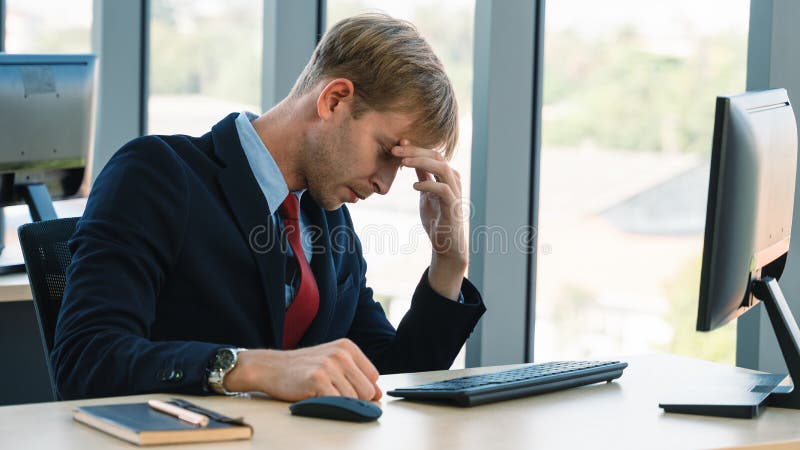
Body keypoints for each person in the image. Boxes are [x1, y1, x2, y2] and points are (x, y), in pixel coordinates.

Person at [52, 13, 485, 402]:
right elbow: (86, 358)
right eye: (387, 153)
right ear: (334, 99)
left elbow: (388, 378)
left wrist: (449, 263)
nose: (386, 186)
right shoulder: (157, 174)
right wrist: (252, 368)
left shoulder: (330, 220)